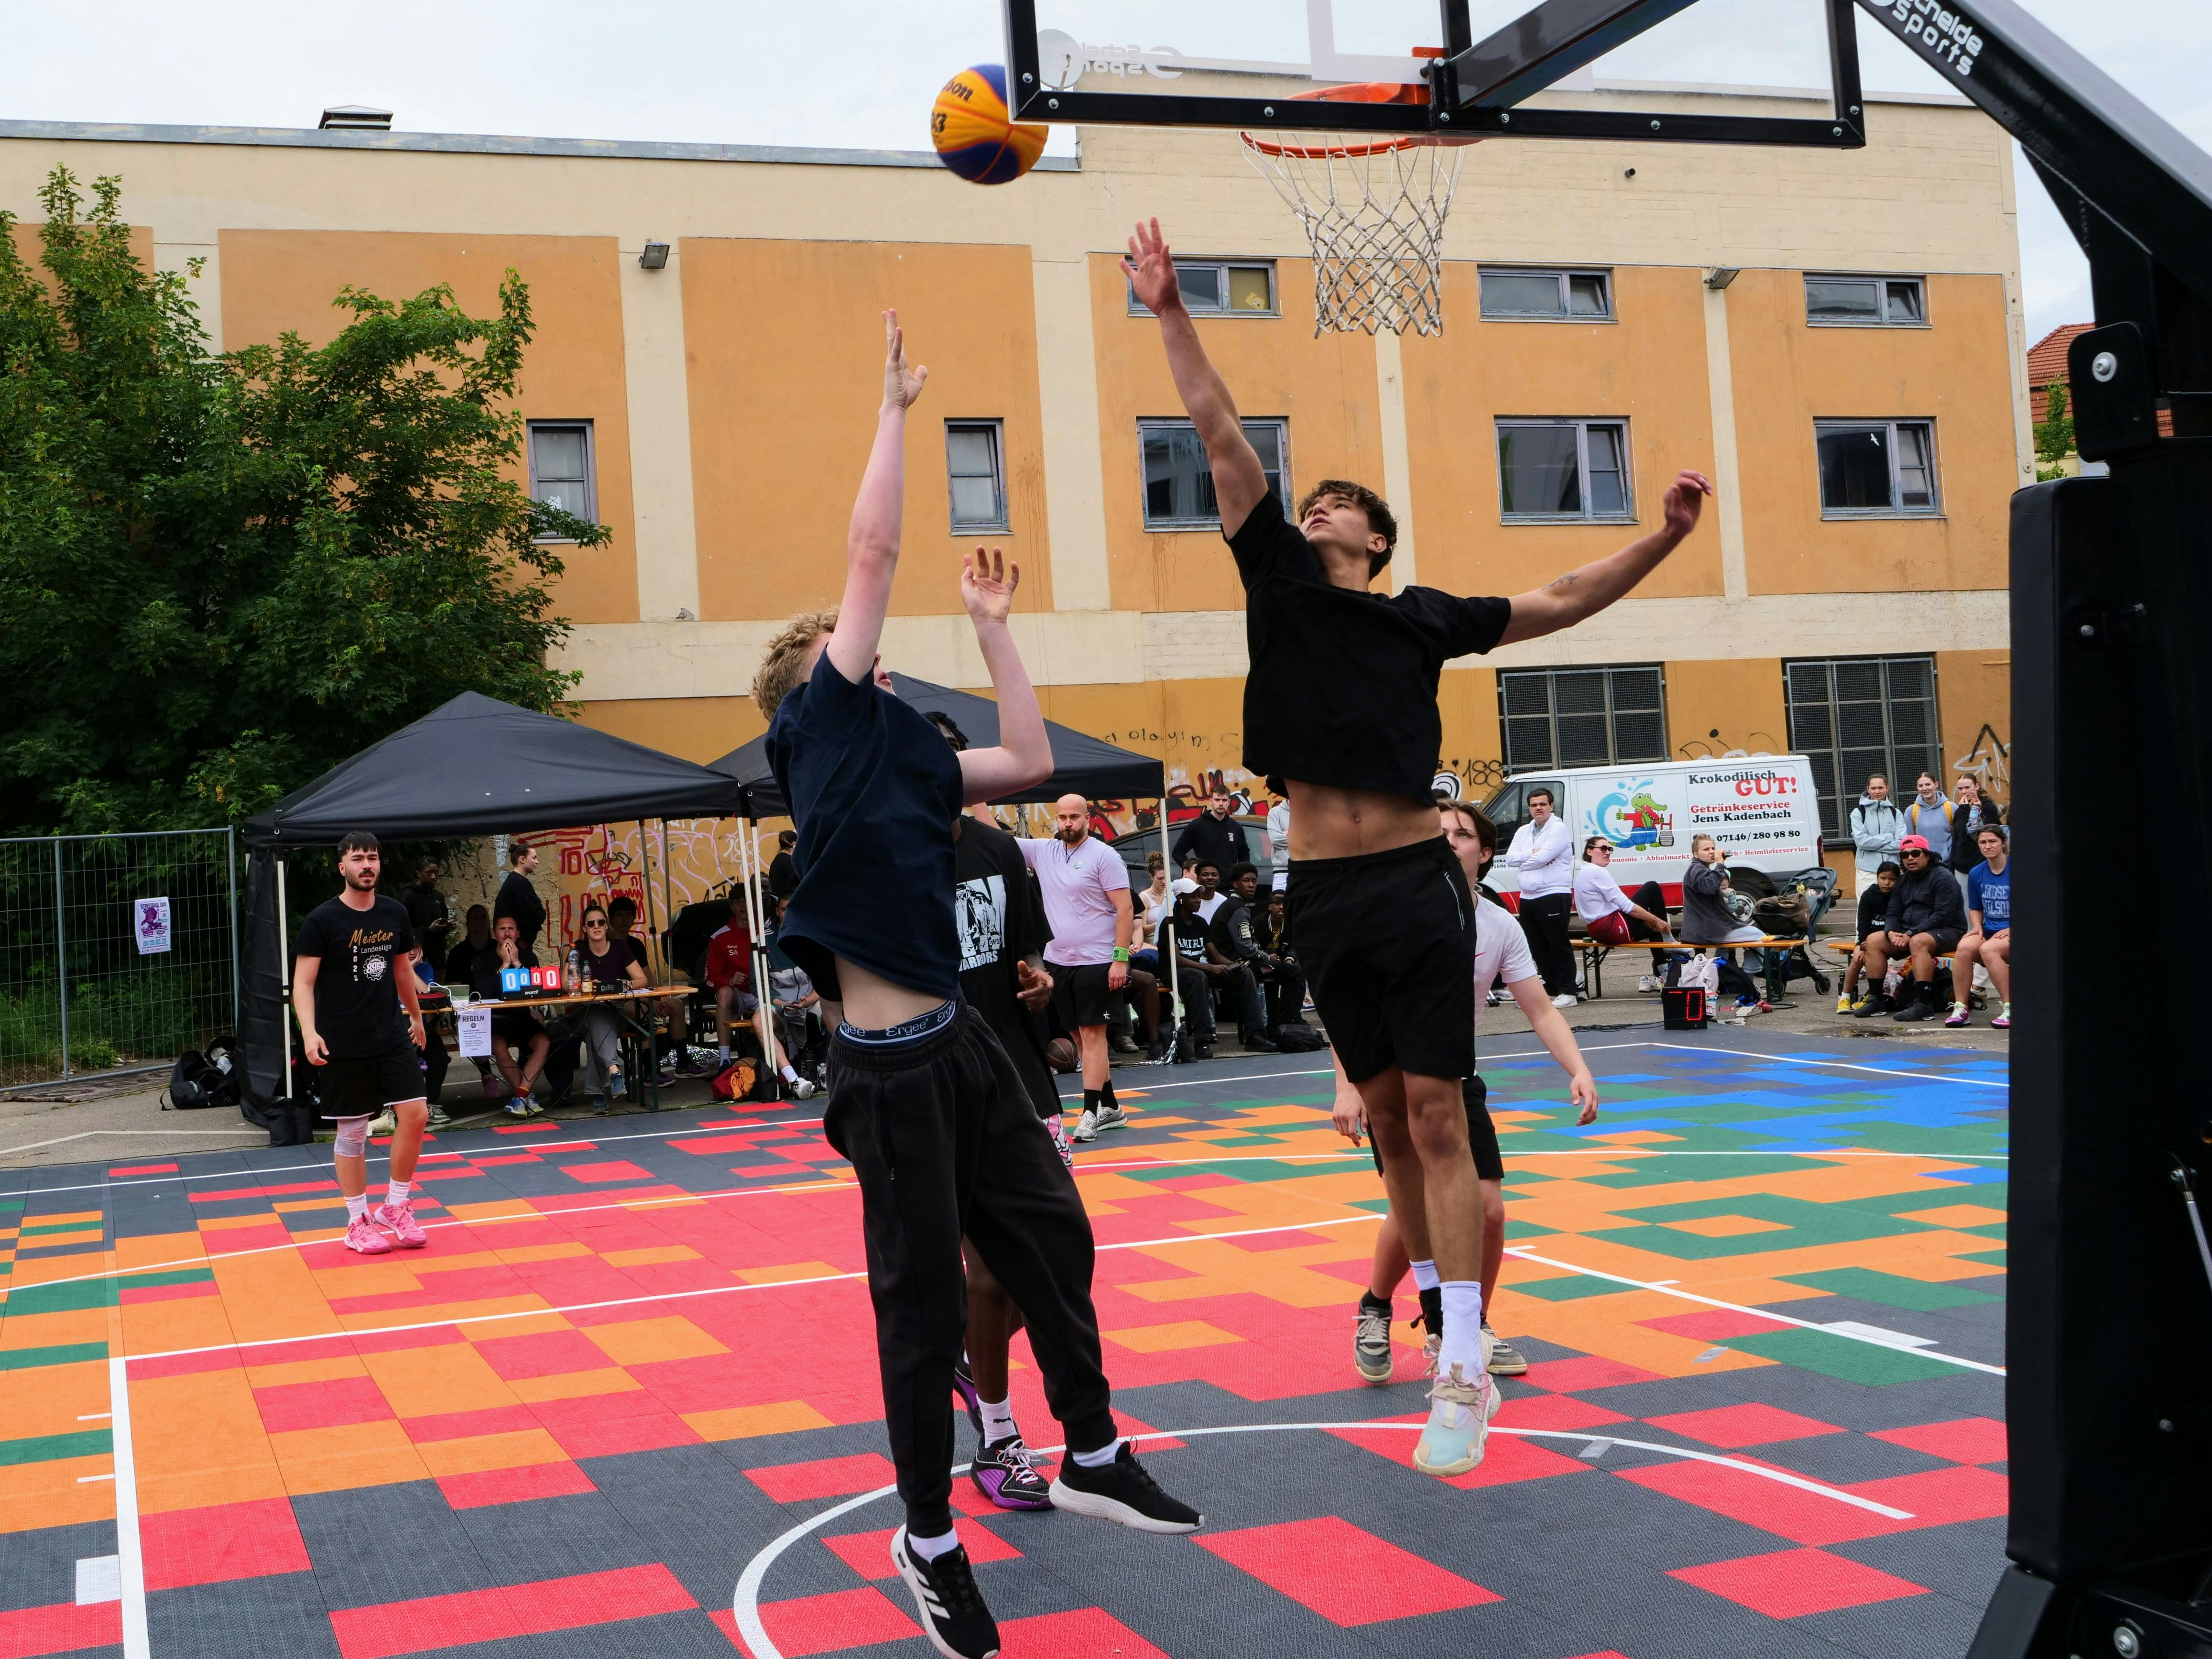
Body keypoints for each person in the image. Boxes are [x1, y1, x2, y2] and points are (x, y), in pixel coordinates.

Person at [1128, 214, 1708, 1478]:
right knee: (1388, 1125)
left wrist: (1664, 537)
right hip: (1318, 893)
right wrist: (1171, 310)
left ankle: (1460, 1354)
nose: (1322, 502)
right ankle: (1430, 1319)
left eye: (1345, 503)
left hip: (1407, 878)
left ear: (1375, 543)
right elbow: (1222, 440)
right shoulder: (1276, 582)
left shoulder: (1419, 620)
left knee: (1440, 1114)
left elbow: (1554, 600)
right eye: (1315, 496)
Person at [753, 312, 1198, 1659]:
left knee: (1054, 1234)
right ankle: (930, 1537)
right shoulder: (821, 730)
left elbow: (1024, 746)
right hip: (886, 1074)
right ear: (820, 686)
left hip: (962, 1047)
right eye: (858, 646)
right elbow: (873, 554)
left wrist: (997, 625)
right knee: (923, 1311)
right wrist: (895, 406)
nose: (878, 650)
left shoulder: (912, 760)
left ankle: (1092, 1442)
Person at [1344, 800, 1598, 1387]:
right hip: (1391, 1081)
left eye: (1460, 834)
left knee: (1487, 1209)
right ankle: (1376, 1306)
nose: (1447, 841)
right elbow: (1353, 1009)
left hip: (1454, 1079)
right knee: (1414, 1211)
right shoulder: (1392, 915)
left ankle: (1468, 1323)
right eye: (1436, 832)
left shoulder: (1500, 924)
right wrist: (1350, 1087)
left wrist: (1578, 1067)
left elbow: (1539, 1007)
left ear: (1484, 853)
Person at [939, 725, 1066, 1512]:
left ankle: (966, 1353)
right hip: (940, 1087)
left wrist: (1039, 983)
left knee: (1047, 1264)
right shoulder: (882, 862)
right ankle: (998, 1434)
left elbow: (1029, 958)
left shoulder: (999, 853)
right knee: (988, 1273)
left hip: (1020, 1077)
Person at [291, 830, 431, 1256]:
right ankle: (357, 1221)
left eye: (372, 858)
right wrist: (309, 1032)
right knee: (353, 1132)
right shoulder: (322, 920)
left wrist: (417, 1016)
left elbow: (402, 971)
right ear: (343, 867)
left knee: (416, 1113)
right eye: (357, 858)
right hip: (343, 1041)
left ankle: (395, 1206)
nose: (366, 865)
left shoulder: (394, 913)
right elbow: (303, 982)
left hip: (389, 1033)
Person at [1019, 794, 1134, 1143]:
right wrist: (980, 799)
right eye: (1062, 817)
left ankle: (1088, 1113)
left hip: (1097, 960)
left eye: (1074, 817)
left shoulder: (1104, 855)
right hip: (1059, 960)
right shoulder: (1045, 851)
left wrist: (1120, 959)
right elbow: (998, 839)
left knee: (1092, 1034)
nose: (1067, 823)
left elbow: (1125, 908)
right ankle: (1111, 1105)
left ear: (1088, 819)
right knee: (1076, 1036)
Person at [702, 895, 818, 1099]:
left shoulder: (813, 932)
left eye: (792, 909)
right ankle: (793, 1080)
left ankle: (837, 1068)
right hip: (777, 1002)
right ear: (776, 912)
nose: (789, 914)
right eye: (784, 910)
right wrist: (779, 1002)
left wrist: (810, 999)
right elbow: (758, 985)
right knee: (759, 1020)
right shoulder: (761, 938)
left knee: (839, 1005)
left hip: (814, 1001)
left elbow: (826, 978)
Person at [1857, 833, 1969, 1022]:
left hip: (1949, 930)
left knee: (1918, 942)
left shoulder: (1943, 877)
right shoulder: (1903, 881)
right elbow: (1892, 912)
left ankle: (1924, 1005)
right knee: (1874, 940)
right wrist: (1891, 932)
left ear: (1927, 855)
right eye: (1905, 855)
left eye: (1915, 853)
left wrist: (1910, 933)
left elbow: (1943, 915)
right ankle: (1877, 1000)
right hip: (1910, 932)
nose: (1910, 858)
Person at [1504, 786, 1578, 1007]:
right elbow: (1510, 858)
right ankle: (1553, 989)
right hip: (1528, 896)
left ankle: (1569, 992)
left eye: (1543, 804)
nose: (1539, 808)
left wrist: (1530, 859)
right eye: (1534, 805)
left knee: (1558, 944)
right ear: (1529, 808)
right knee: (1536, 946)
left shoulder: (1559, 829)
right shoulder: (1524, 831)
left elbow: (1543, 858)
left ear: (1552, 806)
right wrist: (1532, 855)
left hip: (1553, 893)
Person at [471, 914, 552, 1116]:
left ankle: (521, 1097)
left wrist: (517, 963)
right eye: (502, 929)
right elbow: (484, 993)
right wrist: (504, 966)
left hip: (522, 1017)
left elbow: (537, 990)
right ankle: (524, 1098)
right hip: (496, 1019)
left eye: (511, 929)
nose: (507, 933)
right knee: (498, 1046)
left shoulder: (529, 957)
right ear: (494, 934)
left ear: (518, 934)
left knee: (544, 1041)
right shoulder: (482, 960)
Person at [1678, 834, 1770, 1013]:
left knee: (1747, 937)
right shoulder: (1696, 870)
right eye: (1706, 849)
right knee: (1760, 937)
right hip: (1707, 930)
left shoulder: (1701, 869)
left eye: (1713, 848)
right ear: (1696, 854)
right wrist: (1720, 865)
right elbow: (1708, 887)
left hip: (1710, 929)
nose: (1712, 852)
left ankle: (1738, 980)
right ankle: (1746, 980)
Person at [1207, 863, 1295, 1047]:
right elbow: (1246, 948)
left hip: (1241, 963)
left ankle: (1275, 1027)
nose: (1251, 885)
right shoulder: (1237, 907)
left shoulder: (1236, 905)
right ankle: (1286, 1024)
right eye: (1246, 881)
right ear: (1235, 884)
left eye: (1254, 881)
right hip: (1234, 966)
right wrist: (1267, 957)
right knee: (1292, 973)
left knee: (1279, 971)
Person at [1572, 836, 1674, 993]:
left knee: (1651, 921)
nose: (1608, 853)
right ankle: (1668, 948)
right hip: (1610, 928)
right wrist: (1656, 920)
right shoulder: (1597, 872)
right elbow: (1627, 907)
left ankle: (1664, 969)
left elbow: (1615, 905)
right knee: (1652, 888)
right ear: (1590, 852)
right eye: (1603, 849)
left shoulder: (1584, 872)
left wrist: (1649, 919)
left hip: (1597, 930)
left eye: (1610, 850)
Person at [570, 903, 647, 1109]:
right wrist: (585, 986)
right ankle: (614, 1071)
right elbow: (565, 985)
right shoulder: (577, 950)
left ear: (607, 927)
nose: (597, 926)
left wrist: (620, 985)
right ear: (585, 929)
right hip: (584, 1011)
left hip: (615, 1011)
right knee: (595, 1015)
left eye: (601, 922)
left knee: (596, 1033)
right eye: (591, 923)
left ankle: (599, 1093)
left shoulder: (620, 948)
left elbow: (642, 980)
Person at [1946, 825, 2012, 1028]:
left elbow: (2036, 906)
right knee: (1964, 947)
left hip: (2018, 931)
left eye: (1992, 841)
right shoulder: (1976, 873)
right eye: (1983, 842)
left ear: (2003, 843)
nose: (1988, 846)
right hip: (1990, 930)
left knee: (1987, 950)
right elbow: (1975, 908)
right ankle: (1961, 1007)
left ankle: (2011, 1008)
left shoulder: (2021, 869)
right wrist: (1976, 926)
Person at [442, 904, 500, 1100]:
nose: (480, 921)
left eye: (483, 917)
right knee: (475, 1026)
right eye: (475, 917)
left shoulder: (497, 948)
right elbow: (453, 989)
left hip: (499, 1006)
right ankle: (488, 1075)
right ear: (467, 924)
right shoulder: (459, 953)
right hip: (467, 1010)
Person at [1164, 877, 1223, 1059]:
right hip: (1173, 973)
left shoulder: (1201, 922)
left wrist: (1236, 963)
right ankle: (1203, 1040)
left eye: (1199, 896)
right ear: (1181, 899)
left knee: (1243, 975)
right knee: (1198, 976)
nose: (1198, 900)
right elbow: (1177, 960)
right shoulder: (1170, 924)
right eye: (1193, 897)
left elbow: (1216, 956)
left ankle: (1256, 1033)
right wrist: (1210, 968)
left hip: (1200, 970)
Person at [1839, 860, 1904, 1014]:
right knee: (1858, 959)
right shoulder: (1869, 896)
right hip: (1866, 939)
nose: (1887, 883)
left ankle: (1872, 997)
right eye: (1883, 878)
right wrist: (1862, 943)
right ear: (1877, 878)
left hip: (1889, 940)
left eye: (1892, 879)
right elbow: (1862, 924)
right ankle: (1845, 998)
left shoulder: (1900, 896)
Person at [1851, 774, 1906, 896]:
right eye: (1874, 788)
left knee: (1893, 909)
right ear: (1868, 789)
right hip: (1867, 872)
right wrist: (1889, 837)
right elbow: (1861, 842)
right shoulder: (1858, 813)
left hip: (1892, 871)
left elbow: (1901, 844)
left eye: (1881, 788)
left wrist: (1872, 844)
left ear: (1887, 789)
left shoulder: (1896, 813)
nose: (1877, 792)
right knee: (1866, 911)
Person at [1172, 787, 1249, 874]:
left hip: (1230, 885)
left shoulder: (1236, 828)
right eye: (1217, 800)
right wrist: (1194, 871)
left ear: (1229, 802)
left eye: (1224, 800)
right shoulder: (1197, 826)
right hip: (1205, 884)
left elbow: (1244, 854)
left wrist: (1242, 875)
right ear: (1211, 801)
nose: (1221, 804)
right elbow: (1177, 852)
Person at [494, 840, 546, 952]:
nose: (537, 862)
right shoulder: (518, 883)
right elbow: (533, 914)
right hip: (518, 946)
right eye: (534, 858)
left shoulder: (516, 881)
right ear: (522, 859)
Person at [401, 858, 451, 967]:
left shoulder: (438, 896)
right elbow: (403, 927)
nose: (434, 877)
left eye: (436, 873)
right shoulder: (409, 895)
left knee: (437, 983)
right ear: (419, 873)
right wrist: (428, 930)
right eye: (429, 873)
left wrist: (447, 927)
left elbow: (444, 918)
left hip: (438, 950)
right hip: (416, 951)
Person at [1905, 770, 1957, 867]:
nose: (1925, 789)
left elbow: (1958, 837)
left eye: (1928, 785)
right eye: (1921, 786)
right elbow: (1910, 843)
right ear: (1917, 788)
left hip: (1949, 865)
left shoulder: (1951, 808)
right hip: (1923, 866)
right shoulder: (1911, 811)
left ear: (1936, 784)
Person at [1265, 794, 1291, 893]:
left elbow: (1311, 839)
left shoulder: (1308, 813)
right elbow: (1276, 840)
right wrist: (1299, 835)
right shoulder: (1275, 812)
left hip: (1303, 870)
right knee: (1280, 907)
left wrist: (1287, 832)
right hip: (1281, 872)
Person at [768, 830, 800, 902]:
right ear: (794, 844)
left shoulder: (777, 860)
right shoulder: (790, 861)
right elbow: (795, 884)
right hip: (787, 901)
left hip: (779, 900)